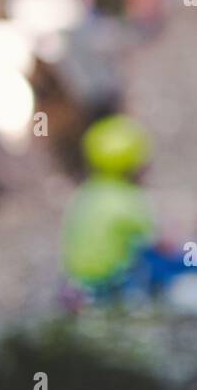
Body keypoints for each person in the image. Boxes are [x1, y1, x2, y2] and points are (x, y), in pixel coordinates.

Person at [61, 114, 155, 298]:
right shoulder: (127, 199)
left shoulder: (86, 194)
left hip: (76, 282)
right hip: (109, 284)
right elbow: (151, 238)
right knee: (158, 261)